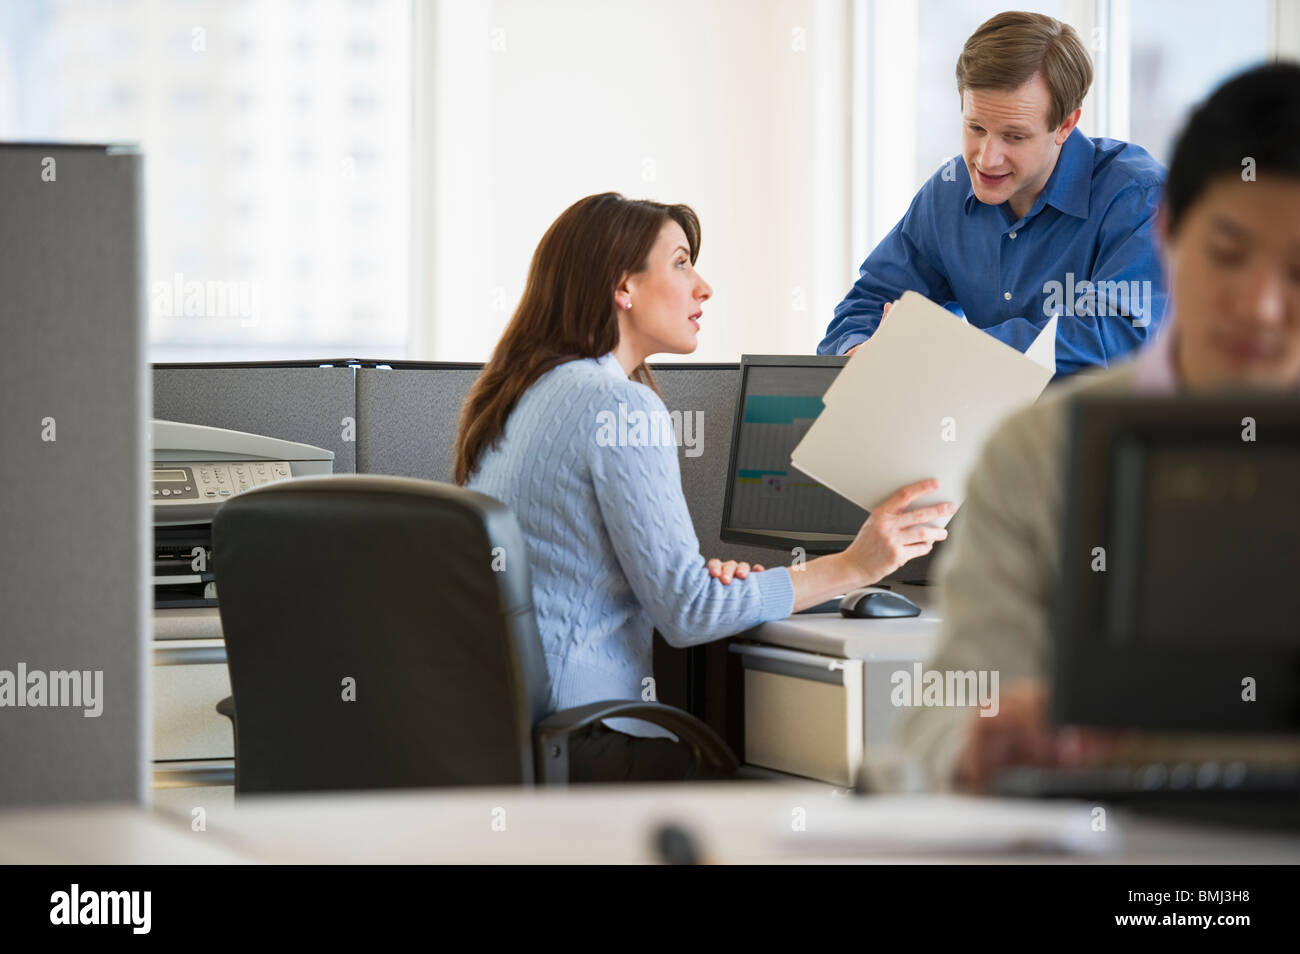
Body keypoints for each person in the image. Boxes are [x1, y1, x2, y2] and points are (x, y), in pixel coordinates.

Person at [454, 192, 953, 782]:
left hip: (512, 742)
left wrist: (703, 577)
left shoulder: (521, 397)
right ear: (623, 288)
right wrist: (854, 566)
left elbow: (609, 575)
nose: (703, 287)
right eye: (682, 262)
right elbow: (689, 613)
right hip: (593, 746)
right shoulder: (619, 405)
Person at [897, 62, 1300, 792]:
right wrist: (984, 737)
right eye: (1229, 255)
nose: (1262, 307)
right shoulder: (1037, 454)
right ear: (1170, 233)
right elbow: (940, 714)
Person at [819, 11, 1167, 378]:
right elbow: (871, 301)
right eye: (976, 127)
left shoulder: (1140, 198)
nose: (986, 159)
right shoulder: (950, 191)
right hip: (973, 425)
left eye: (1014, 136)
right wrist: (860, 353)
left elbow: (1120, 338)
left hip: (1100, 431)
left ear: (1065, 125)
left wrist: (956, 349)